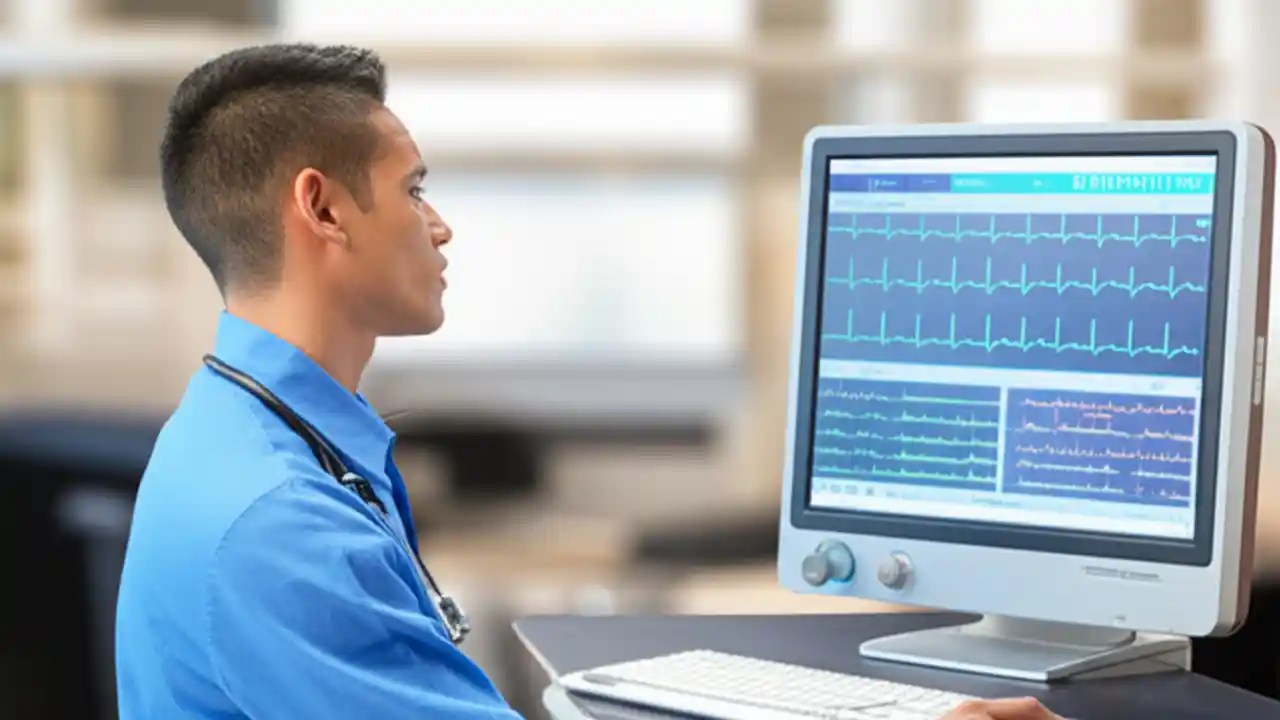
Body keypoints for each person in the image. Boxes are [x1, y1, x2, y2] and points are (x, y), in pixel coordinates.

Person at [113, 43, 1063, 720]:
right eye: (413, 189)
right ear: (321, 208)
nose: (439, 225)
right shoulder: (280, 526)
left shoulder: (236, 432)